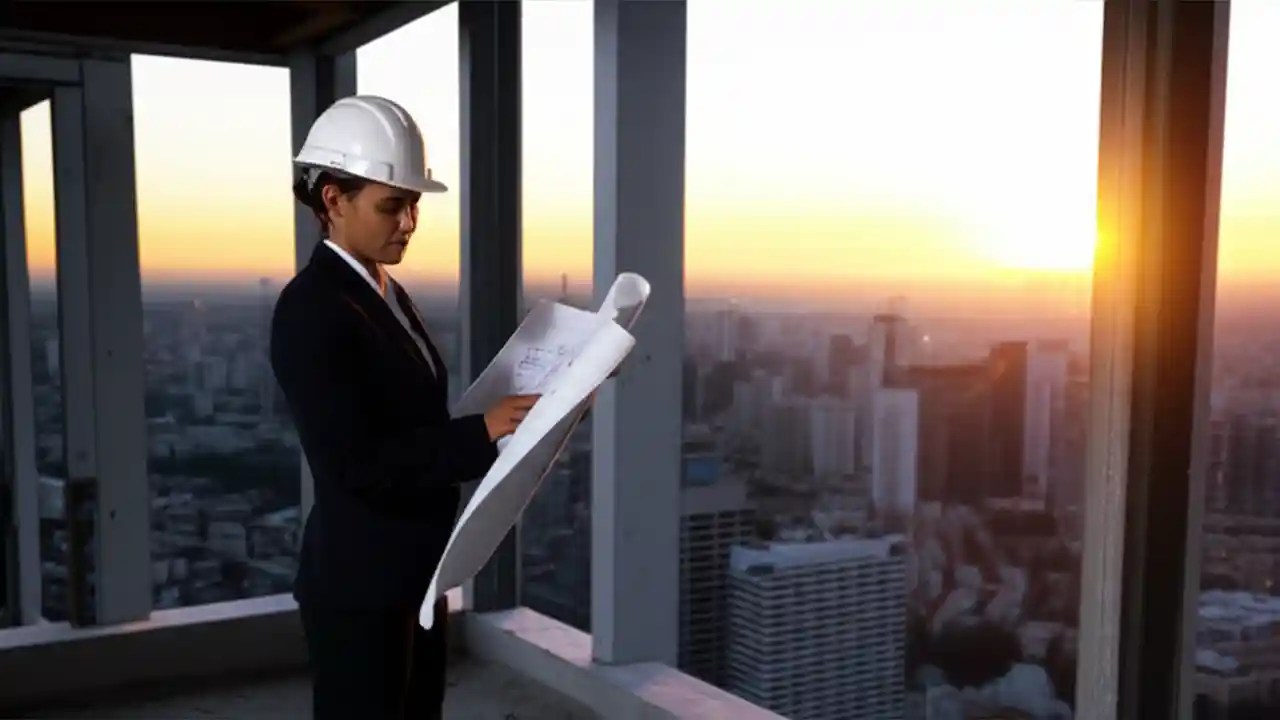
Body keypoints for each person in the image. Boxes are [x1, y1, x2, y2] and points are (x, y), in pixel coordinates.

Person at [269, 95, 538, 720]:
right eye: (392, 205)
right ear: (332, 199)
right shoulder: (312, 309)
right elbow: (354, 464)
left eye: (414, 204)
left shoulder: (382, 290)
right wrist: (482, 432)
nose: (410, 222)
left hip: (410, 571)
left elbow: (405, 422)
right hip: (360, 584)